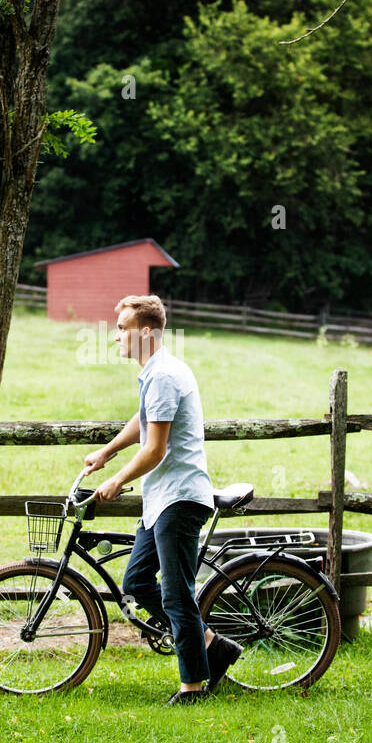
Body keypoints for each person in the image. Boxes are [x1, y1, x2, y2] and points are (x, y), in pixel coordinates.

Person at [84, 294, 243, 705]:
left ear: (147, 332)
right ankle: (213, 646)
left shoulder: (165, 375)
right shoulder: (155, 372)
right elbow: (144, 420)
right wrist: (107, 452)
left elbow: (155, 449)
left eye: (123, 329)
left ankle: (192, 686)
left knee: (176, 595)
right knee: (136, 581)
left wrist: (118, 480)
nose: (116, 336)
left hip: (180, 499)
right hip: (161, 500)